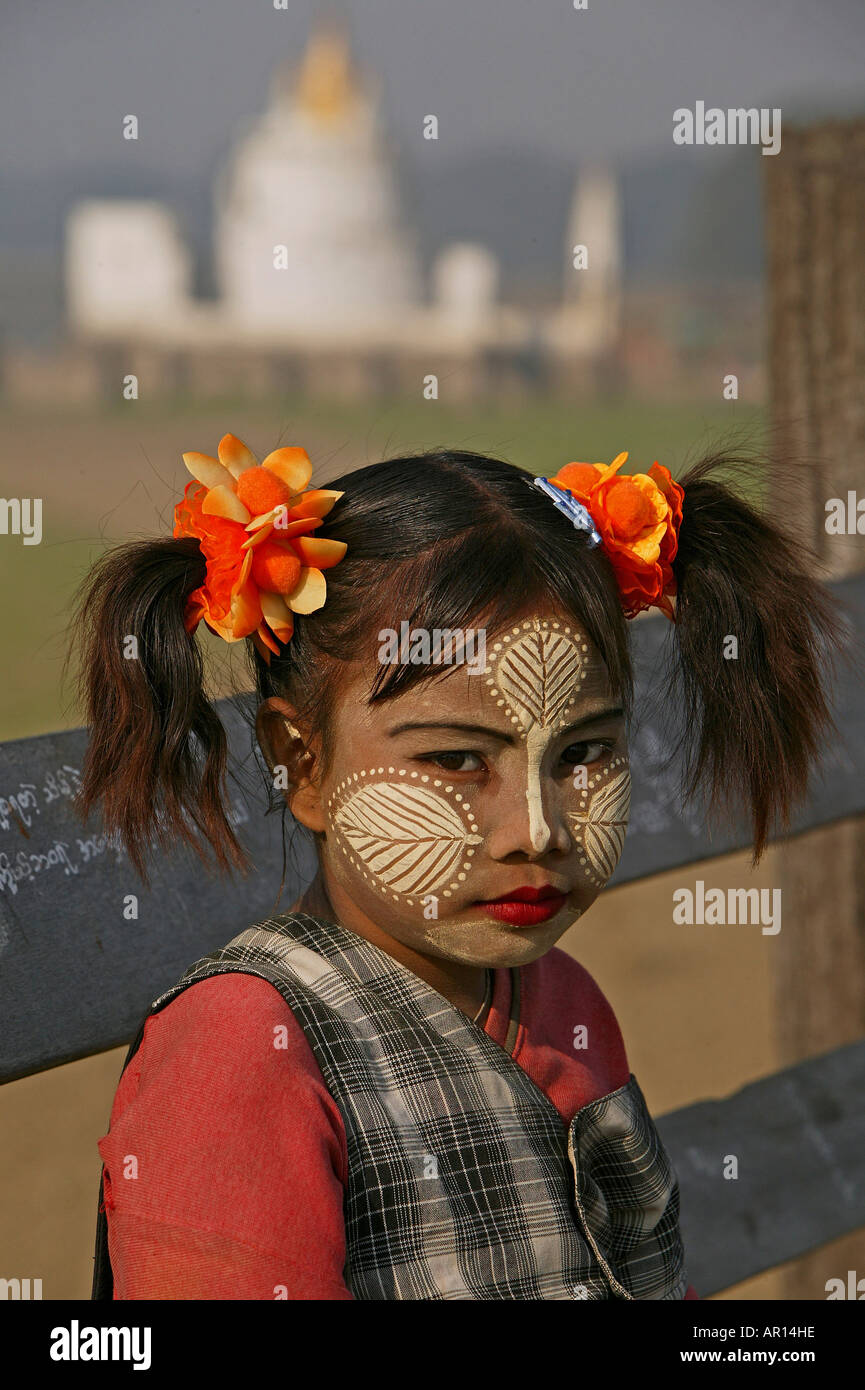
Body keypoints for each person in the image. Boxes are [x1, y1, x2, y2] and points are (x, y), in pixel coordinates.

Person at [75, 434, 839, 1300]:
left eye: (583, 751)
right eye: (456, 761)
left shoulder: (566, 1003)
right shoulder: (242, 1056)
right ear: (303, 763)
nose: (537, 830)